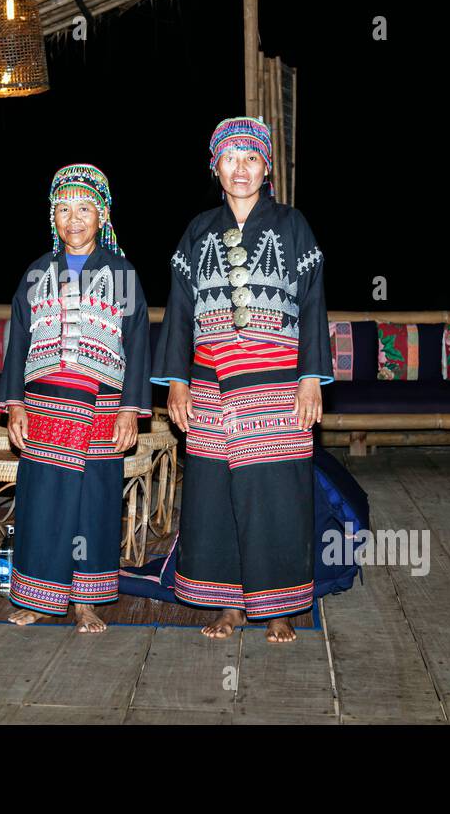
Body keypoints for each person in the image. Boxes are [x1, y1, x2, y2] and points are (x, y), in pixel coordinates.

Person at [151, 116, 333, 643]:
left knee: (275, 492)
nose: (240, 168)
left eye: (251, 158)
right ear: (216, 167)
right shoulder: (198, 230)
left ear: (266, 167)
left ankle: (277, 605)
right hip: (209, 383)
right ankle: (227, 604)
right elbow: (180, 310)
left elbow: (313, 304)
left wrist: (310, 380)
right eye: (230, 158)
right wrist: (177, 383)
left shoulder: (293, 225)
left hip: (277, 385)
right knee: (213, 493)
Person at [0, 165, 151, 633]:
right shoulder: (36, 272)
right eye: (64, 209)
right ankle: (39, 598)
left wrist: (129, 409)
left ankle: (87, 602)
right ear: (53, 217)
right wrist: (15, 405)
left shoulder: (122, 273)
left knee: (94, 501)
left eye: (84, 208)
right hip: (43, 406)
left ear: (101, 214)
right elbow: (17, 342)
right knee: (42, 501)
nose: (74, 218)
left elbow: (138, 343)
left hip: (102, 407)